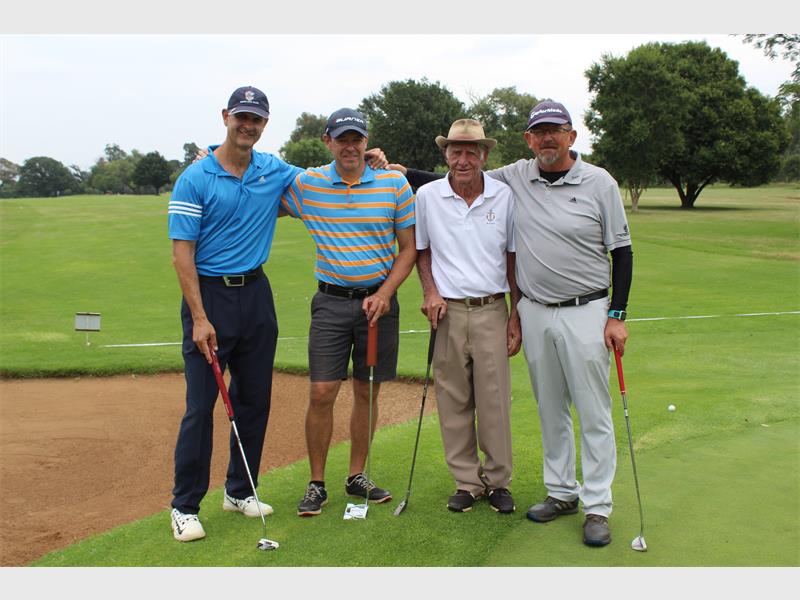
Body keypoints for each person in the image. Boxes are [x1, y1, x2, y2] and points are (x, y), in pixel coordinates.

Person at [391, 100, 633, 547]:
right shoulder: (516, 177)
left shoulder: (595, 183)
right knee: (550, 408)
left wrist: (617, 314)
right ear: (528, 140)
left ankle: (597, 504)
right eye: (539, 131)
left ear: (570, 136)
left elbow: (621, 251)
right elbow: (445, 192)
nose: (547, 138)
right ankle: (561, 492)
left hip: (585, 309)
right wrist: (395, 171)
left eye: (555, 130)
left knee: (592, 411)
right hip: (534, 309)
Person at [167, 85, 302, 542]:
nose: (248, 125)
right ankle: (184, 505)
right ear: (226, 116)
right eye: (241, 116)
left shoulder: (273, 170)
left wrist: (375, 166)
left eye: (257, 119)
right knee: (201, 406)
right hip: (210, 298)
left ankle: (240, 490)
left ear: (265, 124)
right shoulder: (196, 177)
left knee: (255, 400)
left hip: (256, 295)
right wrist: (200, 318)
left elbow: (326, 182)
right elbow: (181, 254)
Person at [279, 108, 416, 517]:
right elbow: (258, 191)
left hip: (379, 305)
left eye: (356, 138)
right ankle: (316, 483)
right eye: (342, 139)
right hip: (331, 303)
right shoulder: (308, 185)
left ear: (365, 141)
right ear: (328, 142)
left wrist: (386, 292)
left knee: (367, 390)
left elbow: (408, 249)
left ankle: (356, 475)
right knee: (322, 392)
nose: (350, 145)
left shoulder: (394, 183)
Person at [415, 118, 521, 514]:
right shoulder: (426, 196)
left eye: (470, 152)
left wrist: (515, 314)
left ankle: (497, 482)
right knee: (454, 400)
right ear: (445, 154)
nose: (462, 160)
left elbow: (512, 259)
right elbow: (422, 252)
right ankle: (466, 482)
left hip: (492, 308)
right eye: (455, 151)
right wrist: (429, 290)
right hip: (448, 312)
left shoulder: (504, 196)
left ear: (484, 155)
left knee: (494, 401)